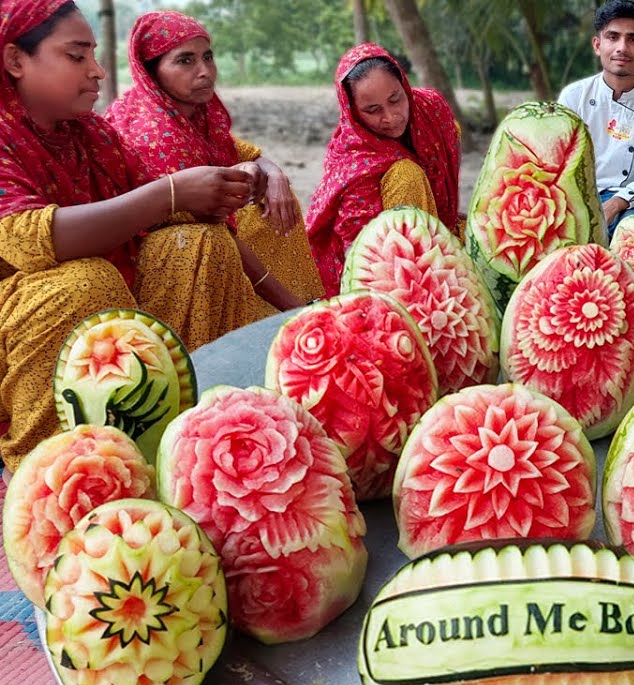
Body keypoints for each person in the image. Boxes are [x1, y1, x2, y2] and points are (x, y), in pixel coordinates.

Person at [0, 0, 268, 470]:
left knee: (198, 243)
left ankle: (175, 428)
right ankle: (49, 469)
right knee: (82, 282)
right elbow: (27, 239)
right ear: (16, 61)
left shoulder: (92, 136)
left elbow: (161, 209)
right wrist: (170, 192)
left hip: (104, 325)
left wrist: (223, 187)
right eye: (76, 56)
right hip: (23, 326)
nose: (98, 71)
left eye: (95, 55)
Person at [106, 10, 322, 311]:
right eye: (185, 60)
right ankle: (280, 313)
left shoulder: (194, 115)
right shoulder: (153, 131)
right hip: (161, 261)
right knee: (211, 241)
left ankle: (280, 309)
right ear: (151, 72)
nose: (205, 71)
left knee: (270, 202)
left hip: (203, 235)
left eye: (207, 57)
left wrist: (273, 174)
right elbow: (221, 231)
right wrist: (294, 309)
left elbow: (242, 150)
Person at [306, 43, 461, 297]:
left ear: (404, 85)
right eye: (373, 110)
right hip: (388, 266)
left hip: (438, 231)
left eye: (395, 99)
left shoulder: (431, 108)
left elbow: (451, 144)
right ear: (352, 111)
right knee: (405, 174)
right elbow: (356, 243)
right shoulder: (353, 156)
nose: (391, 117)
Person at [557, 0, 634, 239]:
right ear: (597, 45)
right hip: (577, 196)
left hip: (630, 202)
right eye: (613, 37)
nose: (622, 47)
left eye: (633, 39)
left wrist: (615, 203)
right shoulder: (573, 97)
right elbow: (559, 162)